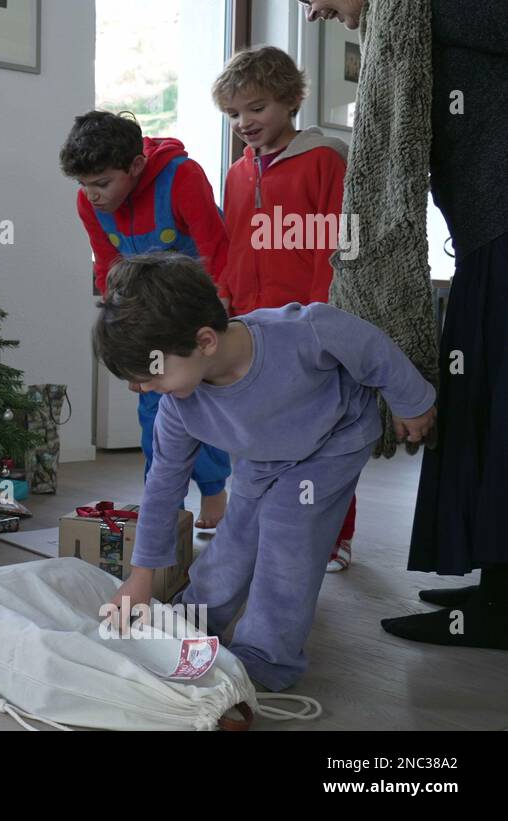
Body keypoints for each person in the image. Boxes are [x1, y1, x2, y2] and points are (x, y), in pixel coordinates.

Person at [94, 252, 435, 690]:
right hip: (264, 454)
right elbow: (163, 485)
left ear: (205, 341)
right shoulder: (177, 407)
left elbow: (372, 350)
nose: (141, 388)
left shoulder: (300, 332)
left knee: (287, 535)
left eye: (151, 375)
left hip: (332, 443)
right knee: (237, 535)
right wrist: (141, 579)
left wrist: (413, 403)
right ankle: (194, 619)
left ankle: (265, 657)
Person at [305, 0, 508, 649]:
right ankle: (495, 584)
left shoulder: (436, 5)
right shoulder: (411, 16)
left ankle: (500, 605)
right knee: (483, 405)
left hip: (502, 229)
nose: (312, 12)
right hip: (485, 234)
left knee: (498, 410)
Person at [211, 45, 358, 572]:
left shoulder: (324, 160)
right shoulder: (237, 172)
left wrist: (321, 316)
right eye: (233, 114)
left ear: (290, 100)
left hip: (307, 324)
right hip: (249, 325)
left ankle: (335, 536)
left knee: (321, 434)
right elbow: (233, 243)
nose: (244, 122)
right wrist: (224, 295)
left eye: (256, 108)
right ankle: (258, 531)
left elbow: (335, 246)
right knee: (254, 433)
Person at [59, 110, 231, 529]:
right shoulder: (88, 203)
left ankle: (214, 493)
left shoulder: (182, 176)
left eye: (103, 183)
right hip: (145, 318)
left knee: (204, 406)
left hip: (195, 315)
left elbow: (217, 246)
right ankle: (164, 502)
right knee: (153, 412)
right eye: (85, 185)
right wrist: (115, 316)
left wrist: (222, 312)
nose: (93, 195)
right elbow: (107, 262)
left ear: (135, 166)